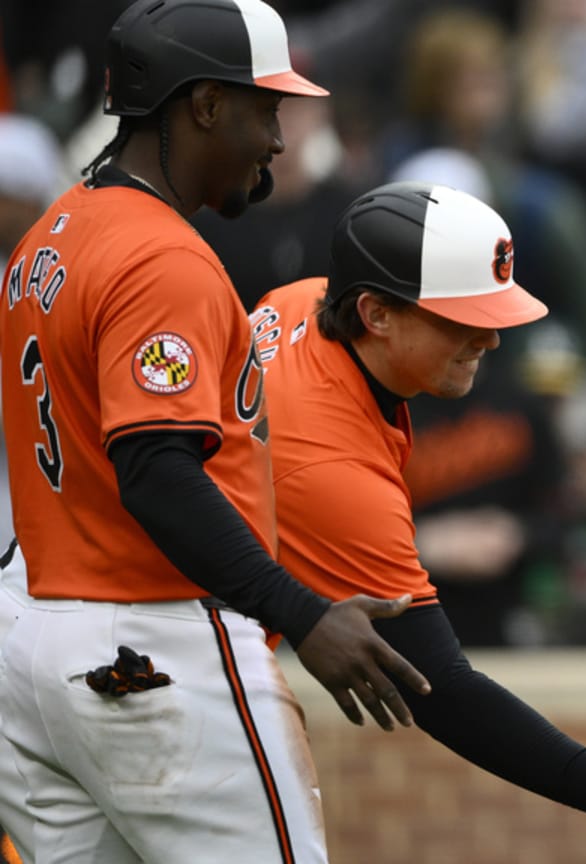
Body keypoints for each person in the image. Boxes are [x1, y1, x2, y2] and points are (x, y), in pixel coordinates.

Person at [0, 1, 431, 860]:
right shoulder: (162, 257)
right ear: (204, 104)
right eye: (265, 110)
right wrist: (302, 613)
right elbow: (157, 470)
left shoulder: (52, 231)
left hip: (29, 635)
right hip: (153, 638)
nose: (277, 140)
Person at [249, 179, 586, 864]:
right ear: (375, 313)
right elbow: (441, 688)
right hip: (175, 650)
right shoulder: (332, 466)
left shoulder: (303, 298)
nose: (490, 338)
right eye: (462, 317)